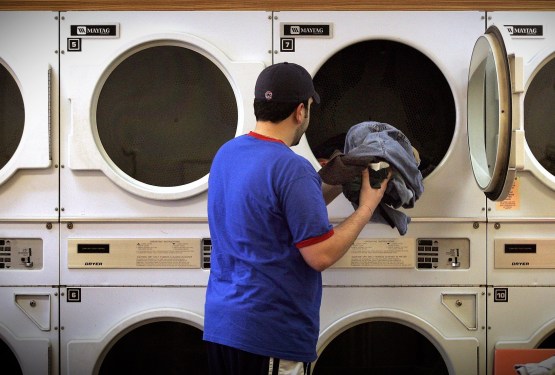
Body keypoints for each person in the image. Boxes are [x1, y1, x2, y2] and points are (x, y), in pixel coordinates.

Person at [203, 62, 390, 375]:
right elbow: (320, 255)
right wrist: (366, 207)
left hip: (223, 326)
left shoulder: (227, 154)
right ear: (301, 111)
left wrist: (333, 176)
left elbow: (277, 211)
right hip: (269, 335)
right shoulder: (291, 168)